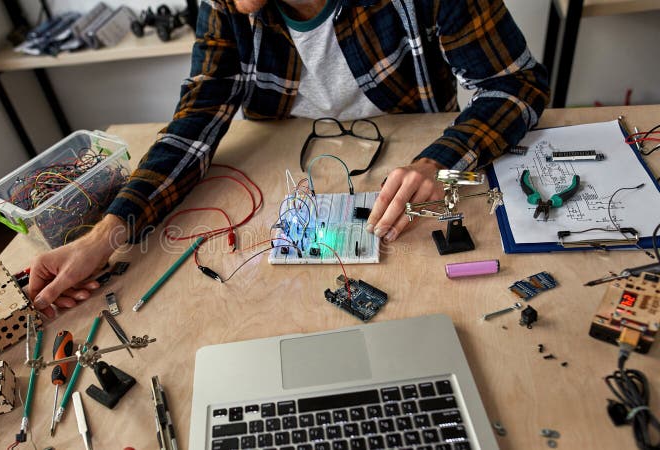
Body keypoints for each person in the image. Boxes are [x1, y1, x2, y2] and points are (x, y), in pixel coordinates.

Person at [29, 0, 549, 317]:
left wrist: (440, 160)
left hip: (419, 171)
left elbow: (517, 85)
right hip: (282, 170)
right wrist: (104, 237)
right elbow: (194, 125)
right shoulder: (230, 6)